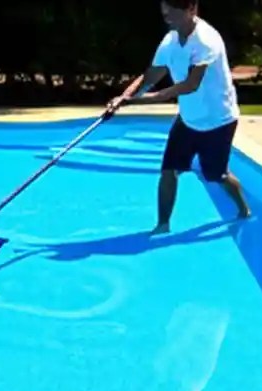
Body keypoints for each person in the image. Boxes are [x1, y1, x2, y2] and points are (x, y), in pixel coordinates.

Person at [108, 0, 252, 234]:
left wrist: (139, 101)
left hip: (218, 121)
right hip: (188, 119)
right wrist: (122, 98)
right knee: (168, 170)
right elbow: (151, 76)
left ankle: (244, 209)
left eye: (173, 13)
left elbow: (189, 85)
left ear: (191, 9)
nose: (167, 18)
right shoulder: (170, 41)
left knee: (217, 175)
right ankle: (162, 225)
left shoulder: (206, 41)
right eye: (165, 12)